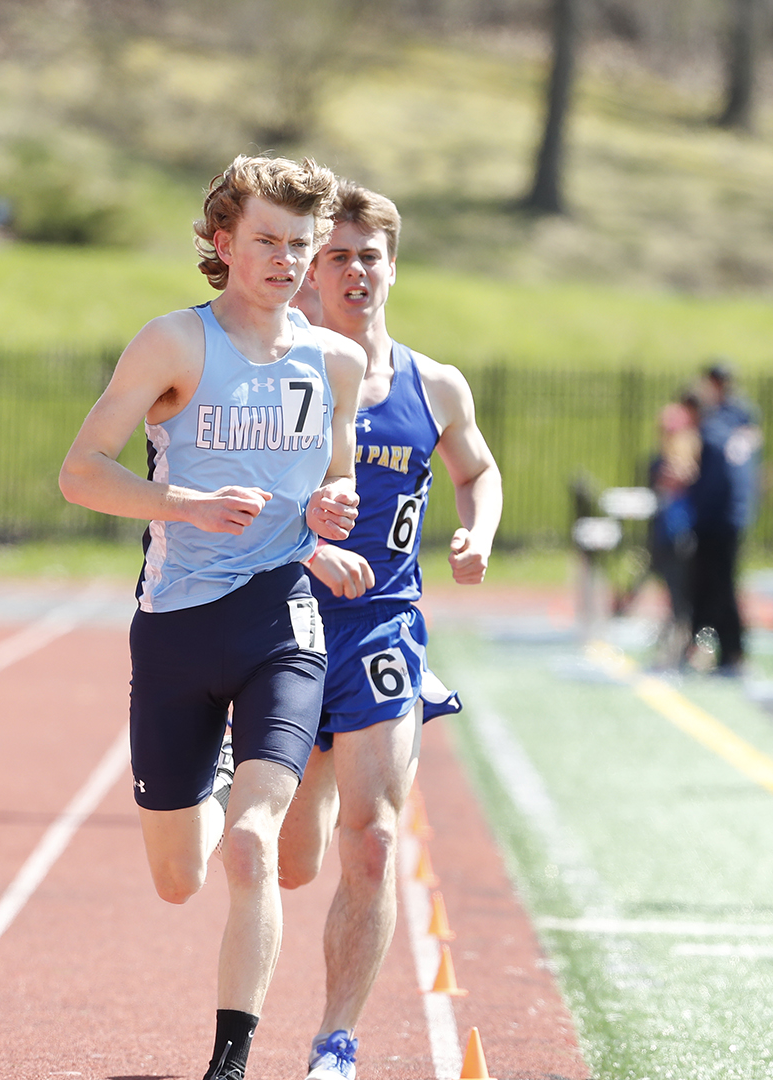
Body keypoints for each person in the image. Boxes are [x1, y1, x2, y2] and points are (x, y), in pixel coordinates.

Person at [58, 155, 366, 1080]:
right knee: (177, 878)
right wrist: (186, 505)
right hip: (177, 625)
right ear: (225, 243)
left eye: (300, 245)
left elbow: (337, 486)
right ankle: (215, 767)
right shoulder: (174, 344)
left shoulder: (336, 361)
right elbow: (80, 474)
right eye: (267, 240)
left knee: (251, 843)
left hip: (280, 620)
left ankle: (229, 1064)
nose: (285, 259)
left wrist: (330, 517)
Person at [274, 181, 502, 1080]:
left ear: (393, 267)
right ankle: (316, 768)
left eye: (369, 256)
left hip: (383, 628)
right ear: (311, 273)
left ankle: (336, 1044)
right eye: (336, 256)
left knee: (371, 842)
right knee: (292, 862)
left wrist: (478, 532)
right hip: (289, 623)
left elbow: (477, 471)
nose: (354, 271)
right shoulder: (280, 374)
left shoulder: (434, 384)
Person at [685, 361, 761, 674]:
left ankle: (732, 651)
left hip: (723, 514)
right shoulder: (716, 416)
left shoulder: (729, 418)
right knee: (704, 585)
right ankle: (703, 647)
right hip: (710, 513)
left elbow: (731, 463)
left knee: (722, 586)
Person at [647, 394, 702, 663]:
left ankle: (685, 643)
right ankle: (675, 640)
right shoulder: (658, 463)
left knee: (682, 593)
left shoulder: (690, 463)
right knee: (670, 589)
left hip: (682, 534)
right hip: (665, 534)